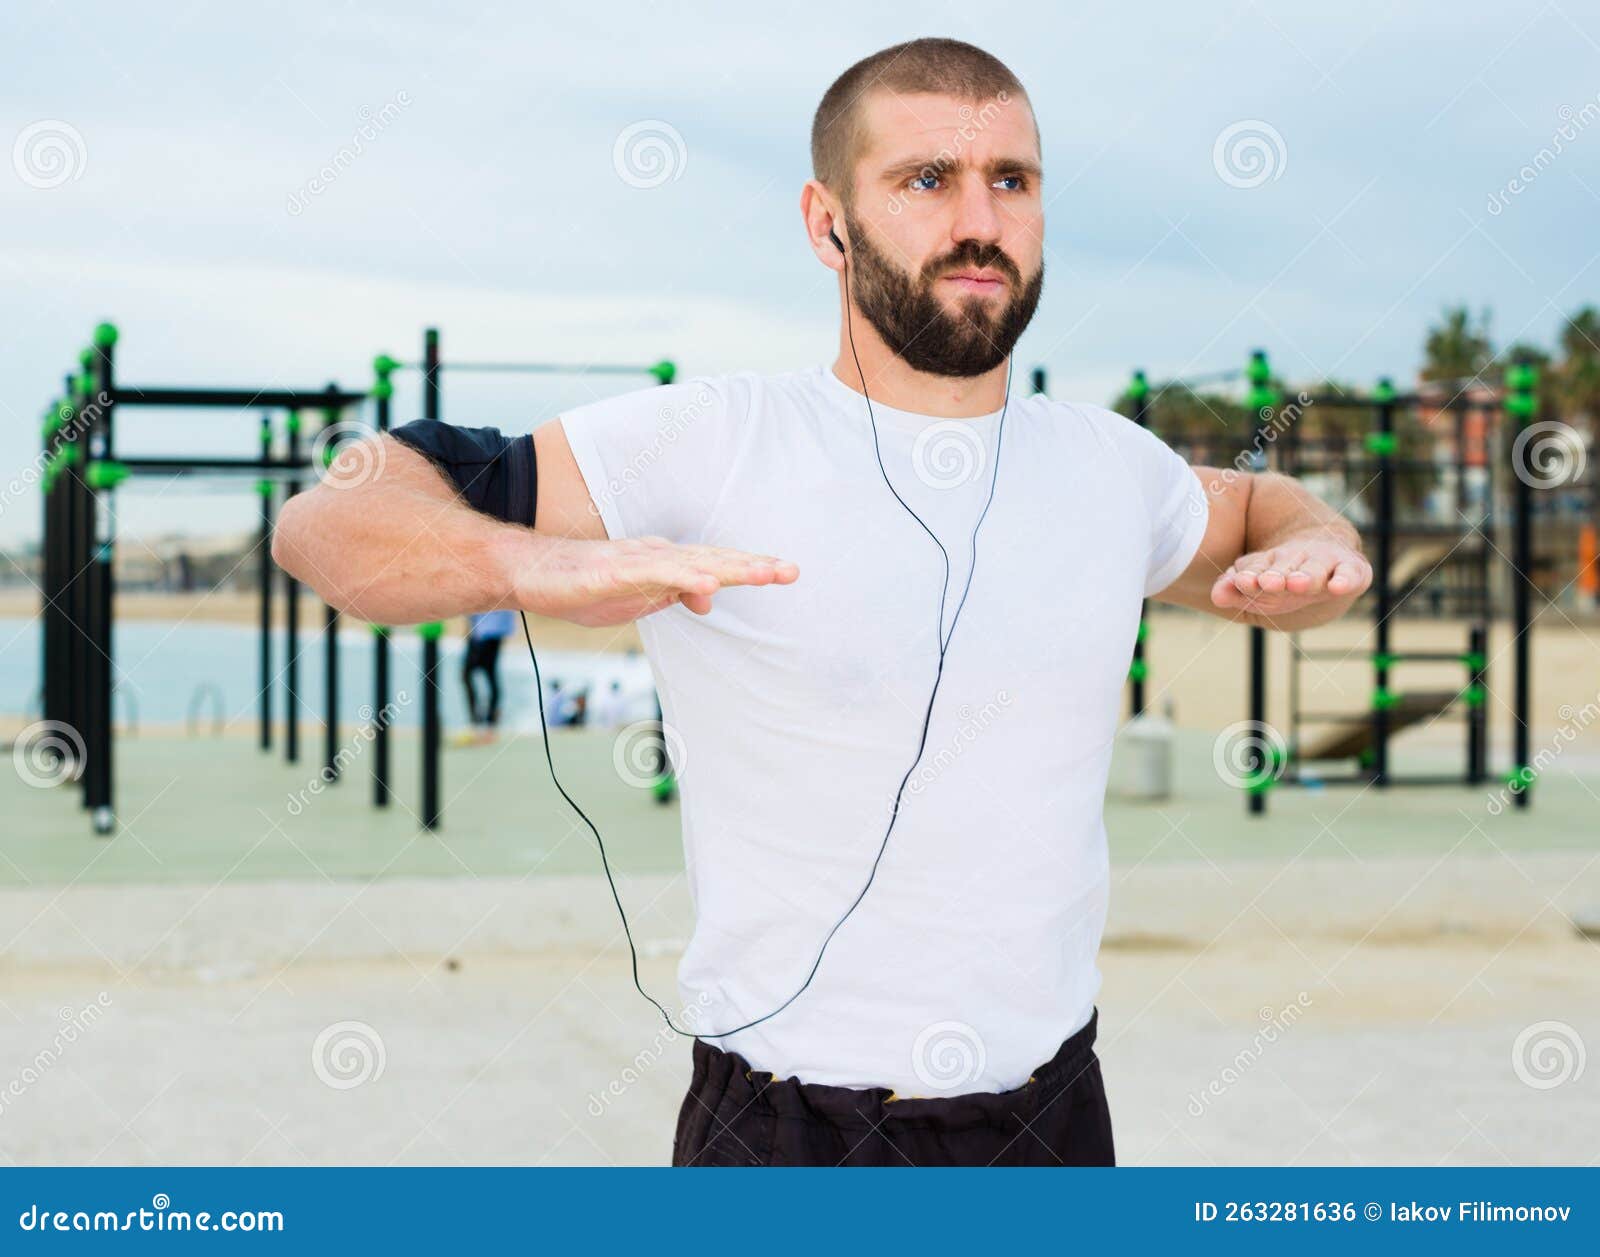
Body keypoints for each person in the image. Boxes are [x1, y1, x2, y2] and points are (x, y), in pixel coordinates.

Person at [273, 37, 1371, 1167]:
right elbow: (329, 520)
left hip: (1051, 1120)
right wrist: (523, 564)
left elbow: (1258, 512)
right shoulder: (704, 441)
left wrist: (1319, 545)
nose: (978, 220)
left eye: (1012, 180)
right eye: (925, 180)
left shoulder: (1110, 465)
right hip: (790, 1133)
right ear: (826, 222)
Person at [459, 609, 514, 744]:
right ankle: (484, 722)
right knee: (486, 675)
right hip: (489, 631)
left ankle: (480, 722)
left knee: (471, 675)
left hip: (485, 632)